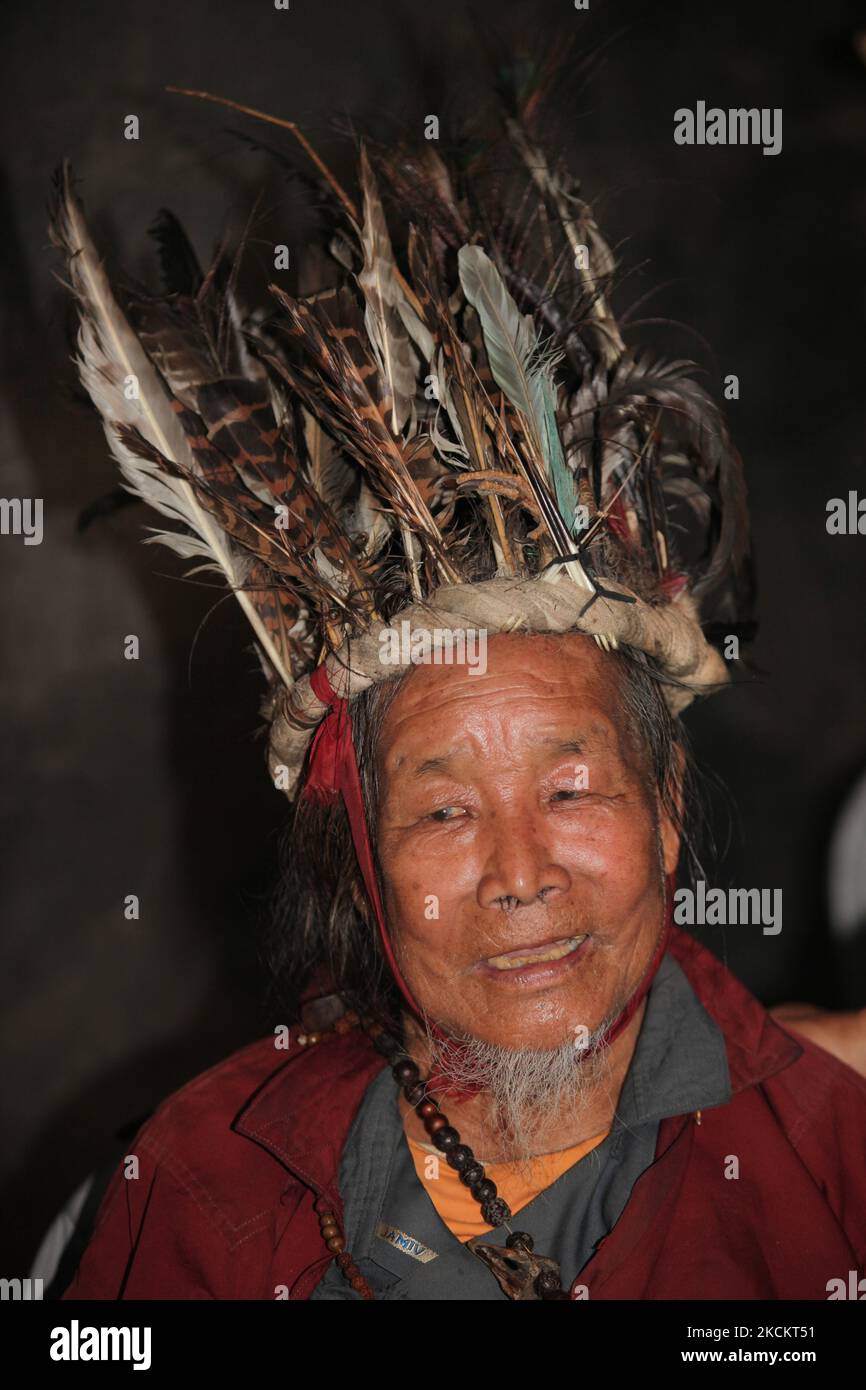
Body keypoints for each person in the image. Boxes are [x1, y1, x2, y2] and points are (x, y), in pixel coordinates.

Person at [51, 70, 866, 1300]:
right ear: (358, 855)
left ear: (665, 799)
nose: (521, 871)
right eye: (440, 811)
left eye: (574, 785)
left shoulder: (834, 1155)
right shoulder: (199, 1187)